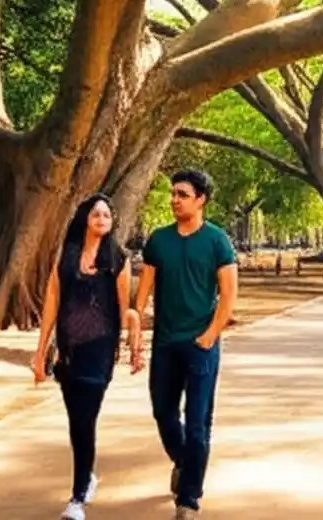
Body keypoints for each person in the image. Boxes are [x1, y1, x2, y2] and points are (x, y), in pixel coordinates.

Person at [133, 169, 238, 520]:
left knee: (197, 423)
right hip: (165, 343)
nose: (174, 199)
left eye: (182, 194)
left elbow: (228, 297)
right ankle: (184, 461)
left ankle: (189, 499)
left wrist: (209, 336)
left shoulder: (217, 241)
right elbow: (143, 292)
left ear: (200, 199)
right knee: (163, 413)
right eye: (173, 193)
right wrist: (136, 328)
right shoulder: (158, 241)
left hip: (201, 345)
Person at [33, 193, 143, 520]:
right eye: (96, 213)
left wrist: (134, 343)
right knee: (76, 422)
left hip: (100, 351)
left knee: (86, 418)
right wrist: (40, 352)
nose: (101, 219)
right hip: (69, 351)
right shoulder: (66, 257)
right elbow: (52, 302)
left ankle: (77, 498)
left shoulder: (117, 259)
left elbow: (125, 310)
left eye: (107, 215)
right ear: (84, 218)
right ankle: (88, 476)